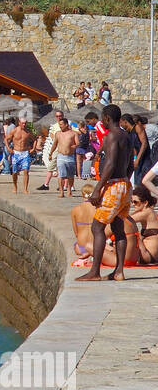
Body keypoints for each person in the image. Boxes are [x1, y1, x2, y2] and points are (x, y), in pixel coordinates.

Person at [76, 105, 132, 281]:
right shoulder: (127, 137)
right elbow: (130, 165)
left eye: (102, 118)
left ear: (107, 118)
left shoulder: (111, 136)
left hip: (114, 185)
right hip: (125, 183)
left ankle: (94, 272)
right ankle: (119, 271)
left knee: (97, 226)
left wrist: (98, 188)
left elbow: (110, 164)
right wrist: (125, 182)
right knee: (118, 228)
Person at [48, 116, 77, 197]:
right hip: (60, 156)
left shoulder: (73, 133)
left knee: (70, 176)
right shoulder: (58, 134)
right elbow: (54, 144)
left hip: (70, 157)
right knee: (61, 175)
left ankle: (69, 190)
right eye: (59, 124)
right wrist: (50, 153)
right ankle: (61, 192)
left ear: (66, 124)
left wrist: (75, 146)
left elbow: (78, 143)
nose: (60, 126)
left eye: (61, 124)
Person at [6, 118, 36, 195]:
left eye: (25, 123)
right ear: (19, 123)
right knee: (15, 172)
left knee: (26, 171)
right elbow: (6, 139)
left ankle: (25, 189)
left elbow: (35, 140)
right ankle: (15, 186)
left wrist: (33, 148)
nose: (24, 125)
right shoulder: (15, 130)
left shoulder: (28, 132)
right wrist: (8, 148)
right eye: (22, 123)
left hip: (25, 153)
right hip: (16, 153)